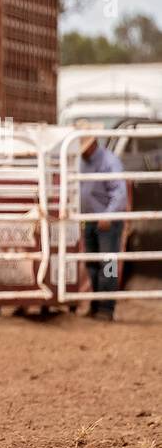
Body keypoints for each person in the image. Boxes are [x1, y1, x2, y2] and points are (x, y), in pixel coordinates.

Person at [79, 133, 128, 322]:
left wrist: (108, 215)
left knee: (107, 263)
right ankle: (97, 303)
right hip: (90, 219)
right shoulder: (83, 162)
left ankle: (106, 307)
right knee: (92, 264)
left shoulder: (109, 161)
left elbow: (120, 193)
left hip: (107, 221)